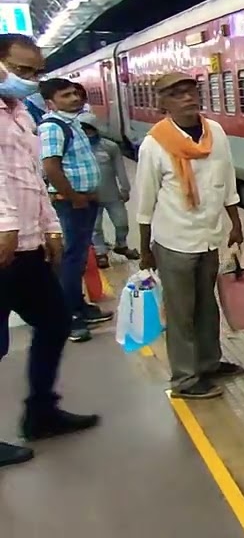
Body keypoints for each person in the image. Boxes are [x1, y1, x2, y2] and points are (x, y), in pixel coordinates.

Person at [0, 34, 101, 468]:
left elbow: (30, 179)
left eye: (35, 72)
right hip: (1, 244)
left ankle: (41, 411)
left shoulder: (21, 115)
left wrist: (50, 228)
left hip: (27, 246)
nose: (30, 79)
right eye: (21, 71)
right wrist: (5, 224)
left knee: (55, 321)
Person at [135, 71, 244, 400]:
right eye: (177, 93)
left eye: (190, 91)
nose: (187, 98)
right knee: (181, 311)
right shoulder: (155, 143)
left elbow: (227, 179)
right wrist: (145, 249)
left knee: (206, 306)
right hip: (174, 240)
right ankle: (185, 379)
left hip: (209, 235)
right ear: (163, 103)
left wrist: (235, 222)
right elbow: (145, 199)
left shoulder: (215, 133)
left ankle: (210, 362)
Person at [38, 78, 112, 342]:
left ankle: (79, 306)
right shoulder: (53, 127)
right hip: (71, 202)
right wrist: (73, 197)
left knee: (78, 257)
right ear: (50, 103)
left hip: (83, 200)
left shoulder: (73, 123)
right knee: (70, 260)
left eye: (75, 94)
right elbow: (51, 166)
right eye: (66, 95)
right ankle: (68, 316)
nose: (74, 98)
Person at [82, 113, 138, 268]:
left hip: (112, 194)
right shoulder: (78, 149)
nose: (88, 134)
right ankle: (100, 252)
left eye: (90, 130)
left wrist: (125, 188)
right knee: (95, 226)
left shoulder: (110, 147)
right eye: (84, 131)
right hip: (90, 195)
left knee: (122, 223)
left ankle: (121, 244)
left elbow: (120, 168)